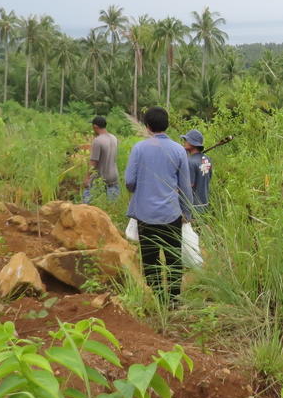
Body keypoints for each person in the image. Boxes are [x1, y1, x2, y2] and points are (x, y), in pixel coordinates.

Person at [125, 107, 193, 307]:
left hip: (145, 214)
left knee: (150, 258)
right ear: (167, 125)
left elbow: (129, 181)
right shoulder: (178, 150)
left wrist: (142, 188)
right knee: (173, 257)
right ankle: (173, 299)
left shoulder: (139, 148)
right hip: (171, 213)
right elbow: (185, 187)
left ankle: (157, 297)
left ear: (147, 126)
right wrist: (187, 214)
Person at [82, 117, 119, 204]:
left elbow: (93, 162)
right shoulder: (114, 138)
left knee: (87, 205)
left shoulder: (98, 141)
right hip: (114, 176)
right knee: (112, 206)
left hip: (101, 178)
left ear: (95, 126)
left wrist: (87, 178)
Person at [180, 129, 212, 215]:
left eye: (186, 140)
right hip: (205, 203)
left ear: (192, 143)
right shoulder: (207, 158)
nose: (184, 142)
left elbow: (189, 185)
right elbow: (209, 177)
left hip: (193, 206)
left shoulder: (190, 162)